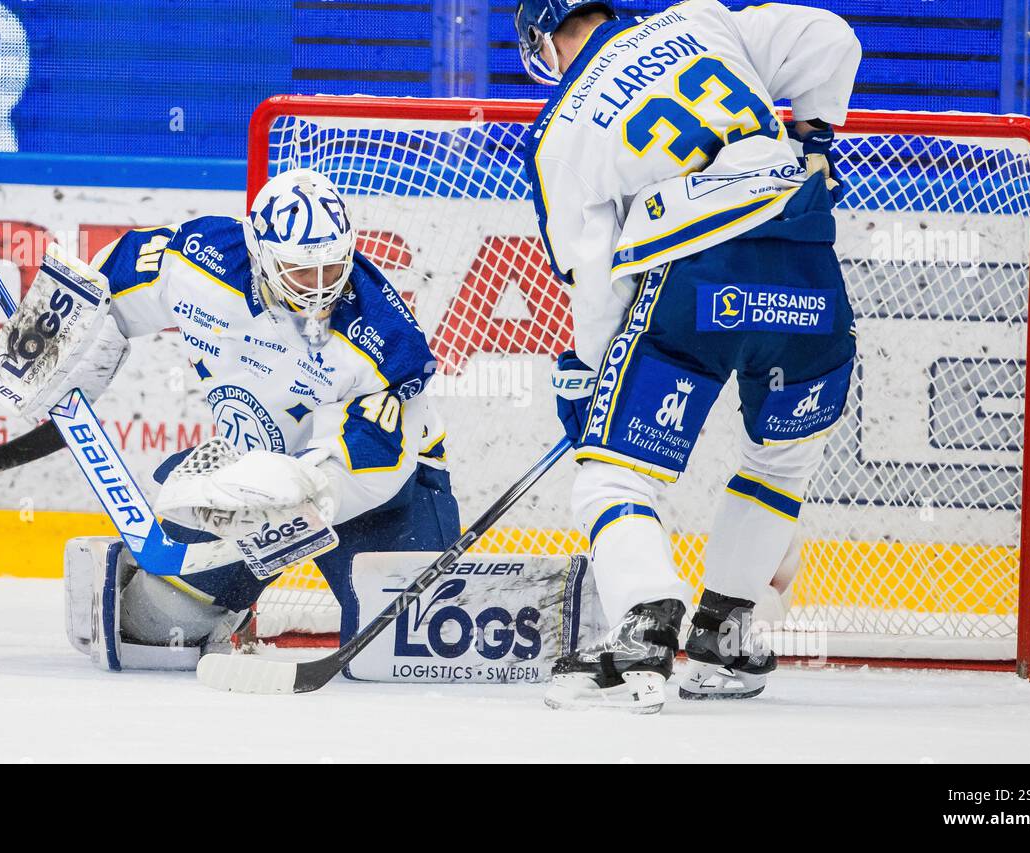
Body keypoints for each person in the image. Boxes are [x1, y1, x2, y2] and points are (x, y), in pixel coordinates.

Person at [515, 0, 862, 711]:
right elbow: (832, 39)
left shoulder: (561, 132)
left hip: (699, 272)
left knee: (613, 476)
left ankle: (644, 630)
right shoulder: (700, 18)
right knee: (780, 461)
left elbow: (594, 277)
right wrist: (816, 135)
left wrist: (590, 377)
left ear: (545, 39)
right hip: (806, 261)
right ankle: (724, 635)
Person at [56, 168, 458, 669]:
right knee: (153, 631)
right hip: (248, 483)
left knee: (410, 651)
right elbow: (107, 278)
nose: (318, 289)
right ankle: (225, 607)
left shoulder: (385, 340)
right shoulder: (202, 259)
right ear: (261, 256)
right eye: (299, 271)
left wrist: (300, 486)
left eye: (331, 270)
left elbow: (380, 459)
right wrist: (52, 333)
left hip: (379, 496)